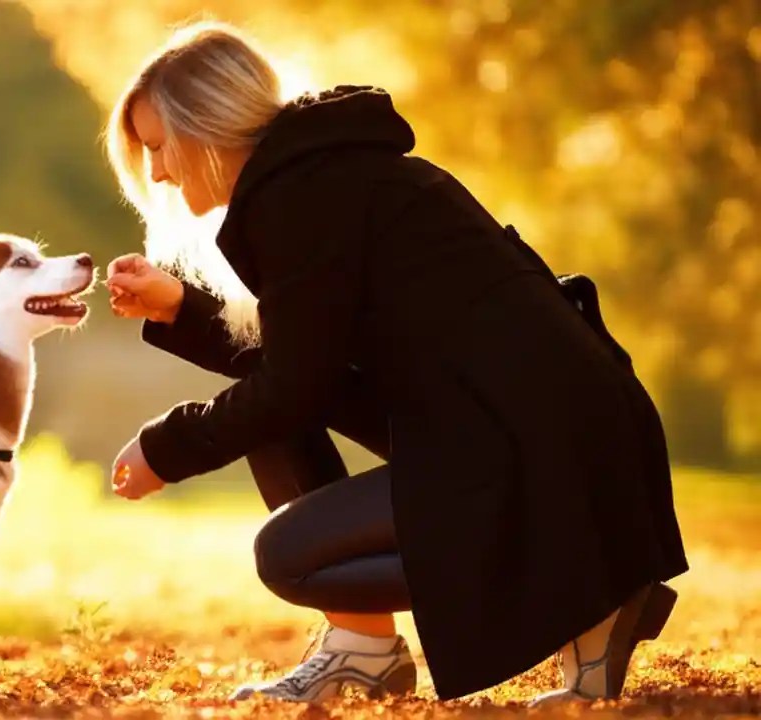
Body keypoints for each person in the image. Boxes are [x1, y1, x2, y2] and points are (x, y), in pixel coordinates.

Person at [100, 20, 688, 705]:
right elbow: (304, 367)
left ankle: (577, 588)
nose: (160, 172)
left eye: (158, 147)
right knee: (270, 418)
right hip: (545, 431)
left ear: (207, 124)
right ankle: (373, 648)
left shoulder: (297, 199)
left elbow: (295, 384)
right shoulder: (326, 174)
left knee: (285, 555)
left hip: (534, 449)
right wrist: (182, 309)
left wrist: (164, 449)